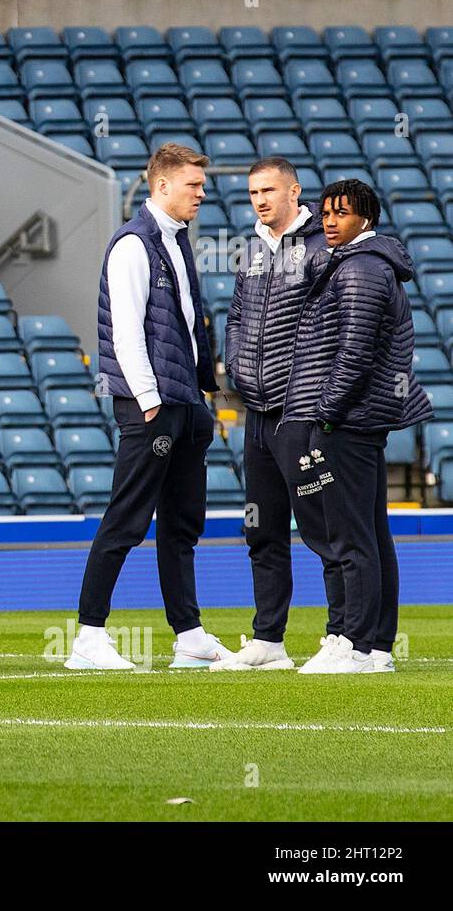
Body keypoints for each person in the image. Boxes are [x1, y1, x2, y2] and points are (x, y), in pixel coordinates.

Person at [66, 143, 231, 671]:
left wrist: (198, 395)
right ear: (162, 186)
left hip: (185, 403)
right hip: (153, 406)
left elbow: (185, 323)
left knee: (182, 524)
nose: (202, 194)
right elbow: (125, 331)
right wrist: (149, 402)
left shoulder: (176, 242)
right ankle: (88, 637)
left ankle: (190, 636)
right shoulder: (133, 245)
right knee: (127, 518)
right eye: (193, 185)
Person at [281, 179, 433, 674]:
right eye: (326, 212)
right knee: (370, 532)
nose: (329, 221)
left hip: (347, 419)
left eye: (342, 213)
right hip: (359, 417)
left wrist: (325, 412)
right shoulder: (361, 262)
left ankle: (357, 644)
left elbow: (355, 351)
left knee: (350, 535)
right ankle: (377, 647)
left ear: (367, 218)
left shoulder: (361, 268)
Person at [211, 157, 339, 672]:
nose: (260, 200)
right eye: (253, 193)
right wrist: (239, 373)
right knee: (261, 527)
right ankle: (268, 640)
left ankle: (344, 636)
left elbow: (330, 323)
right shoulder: (251, 252)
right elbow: (237, 316)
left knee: (323, 527)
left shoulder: (319, 247)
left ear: (295, 191)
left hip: (302, 411)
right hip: (257, 413)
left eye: (269, 190)